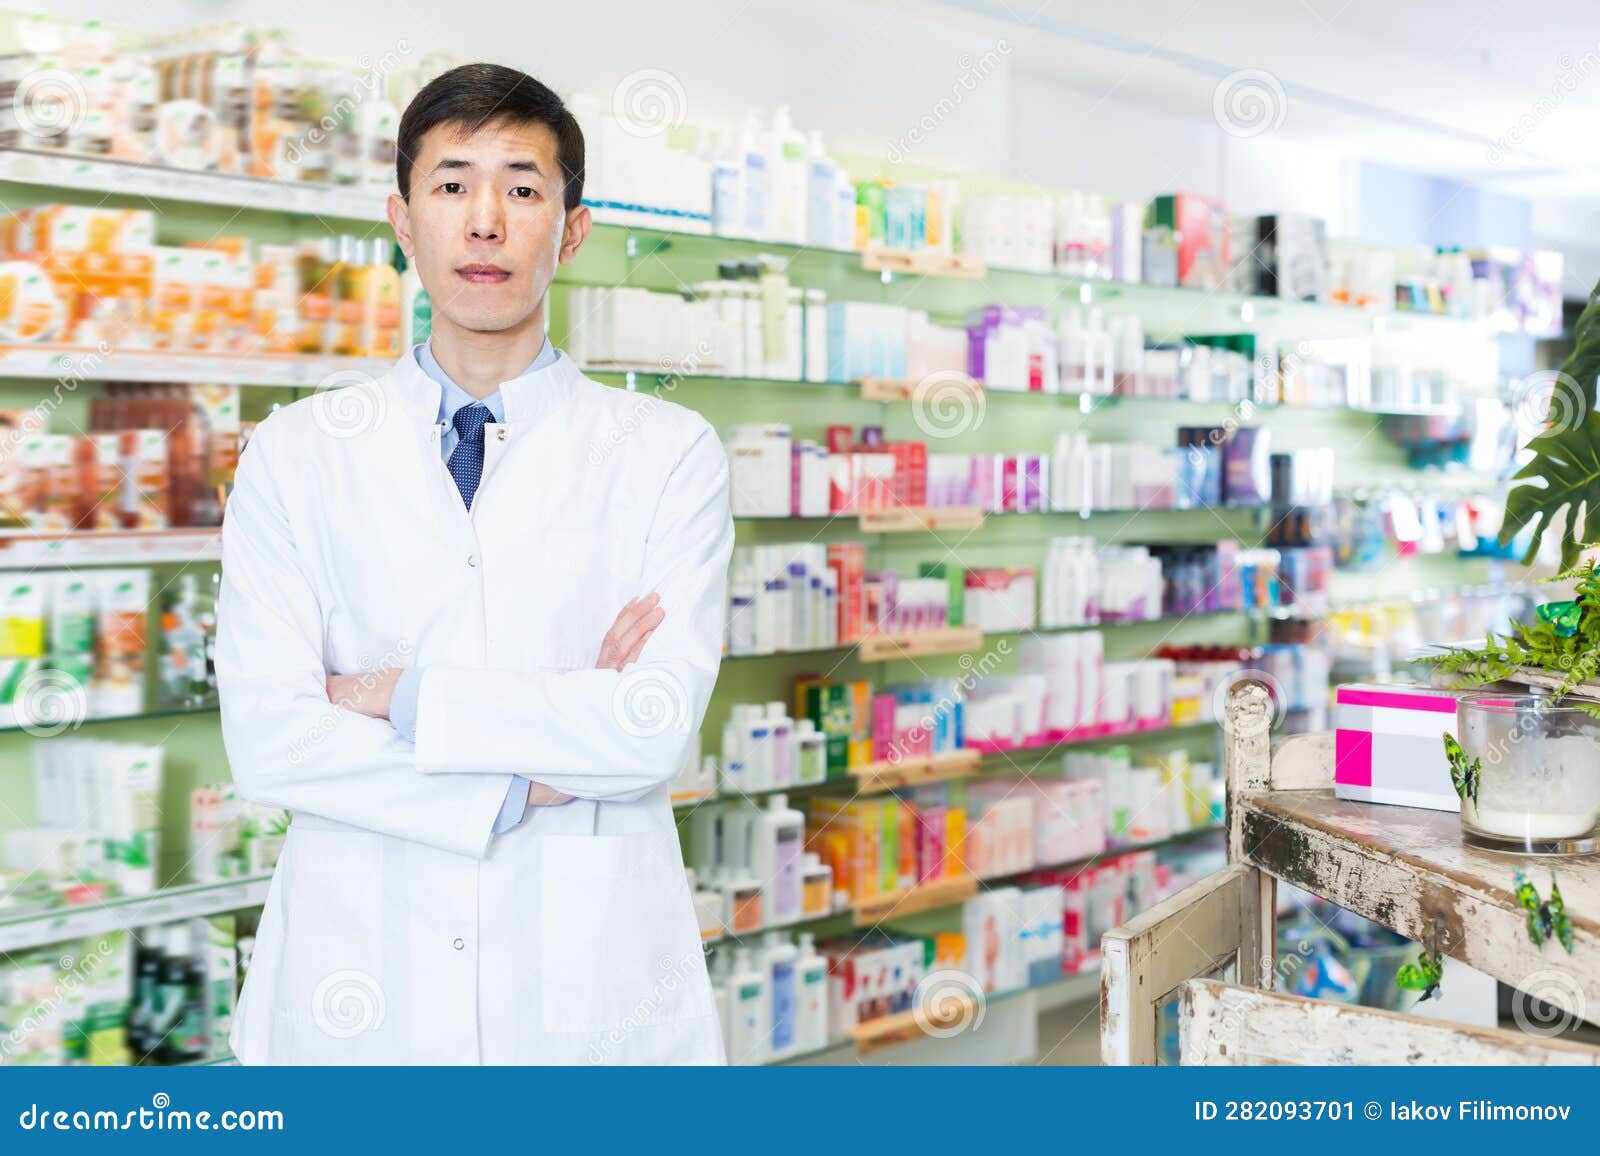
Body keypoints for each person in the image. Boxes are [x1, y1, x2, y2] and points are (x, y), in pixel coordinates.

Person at [215, 62, 732, 1064]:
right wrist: (527, 771)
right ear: (404, 224)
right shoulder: (296, 450)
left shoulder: (668, 452)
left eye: (523, 187)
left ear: (571, 228)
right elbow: (272, 737)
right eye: (451, 184)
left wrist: (396, 695)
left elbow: (651, 729)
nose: (485, 220)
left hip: (587, 986)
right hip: (352, 990)